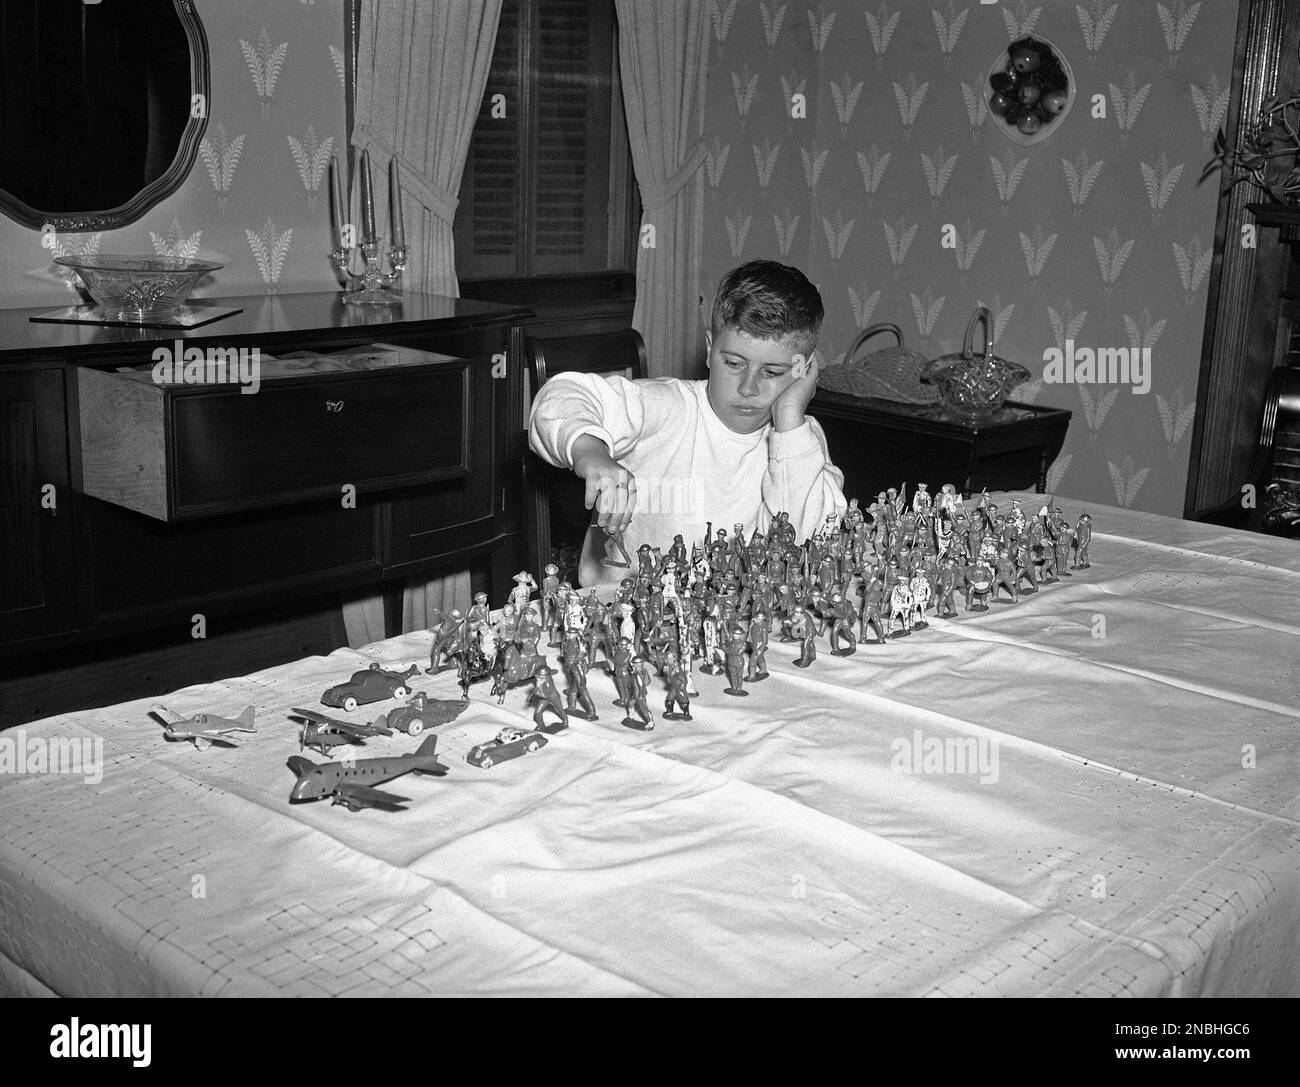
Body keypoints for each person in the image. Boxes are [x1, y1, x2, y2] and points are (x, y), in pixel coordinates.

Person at [529, 260, 847, 586]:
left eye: (772, 372)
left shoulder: (798, 444)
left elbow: (803, 548)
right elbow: (560, 396)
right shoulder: (666, 407)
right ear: (710, 350)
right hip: (618, 614)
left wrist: (791, 419)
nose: (748, 388)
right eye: (734, 363)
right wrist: (588, 451)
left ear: (803, 371)